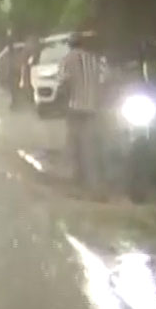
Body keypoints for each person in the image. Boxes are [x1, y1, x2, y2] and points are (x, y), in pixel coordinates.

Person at [58, 30, 106, 192]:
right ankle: (93, 179)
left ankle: (78, 178)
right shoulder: (93, 59)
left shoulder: (67, 59)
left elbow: (64, 82)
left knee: (74, 142)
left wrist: (63, 102)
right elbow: (104, 79)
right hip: (93, 107)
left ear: (69, 44)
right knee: (90, 142)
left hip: (75, 106)